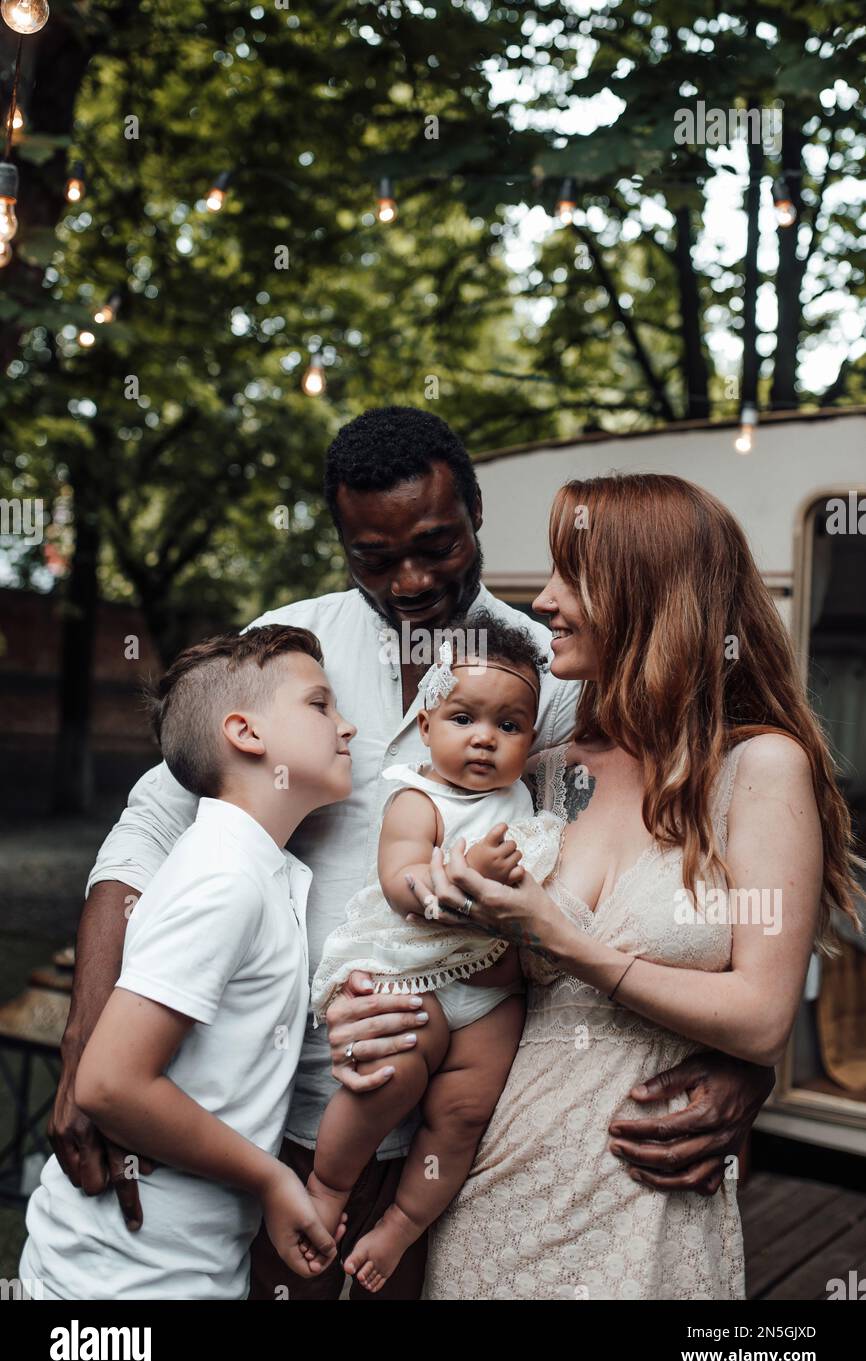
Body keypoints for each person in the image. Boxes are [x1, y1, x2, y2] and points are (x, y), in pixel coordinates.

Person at [49, 408, 775, 1301]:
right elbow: (146, 836)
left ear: (476, 513)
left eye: (437, 544)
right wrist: (85, 1040)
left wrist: (747, 1057)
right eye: (373, 557)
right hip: (277, 1116)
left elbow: (646, 865)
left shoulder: (548, 675)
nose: (410, 580)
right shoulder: (287, 653)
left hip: (469, 1120)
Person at [404, 474, 865, 1300]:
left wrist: (568, 942)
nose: (544, 602)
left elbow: (761, 1018)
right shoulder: (538, 771)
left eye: (570, 577)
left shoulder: (757, 770)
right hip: (494, 1189)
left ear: (648, 592)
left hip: (645, 1197)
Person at [20, 625, 355, 1299]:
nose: (347, 728)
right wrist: (271, 1179)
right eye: (320, 706)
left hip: (177, 1272)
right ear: (246, 733)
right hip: (115, 1286)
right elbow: (110, 1083)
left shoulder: (257, 870)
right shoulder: (224, 878)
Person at [306, 615, 563, 1291]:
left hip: (489, 990)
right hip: (411, 966)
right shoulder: (418, 798)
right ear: (426, 726)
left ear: (530, 741)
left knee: (465, 1115)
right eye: (463, 718)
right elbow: (401, 881)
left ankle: (401, 1224)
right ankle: (330, 1188)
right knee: (391, 1077)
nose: (485, 738)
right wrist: (465, 871)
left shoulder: (523, 801)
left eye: (509, 726)